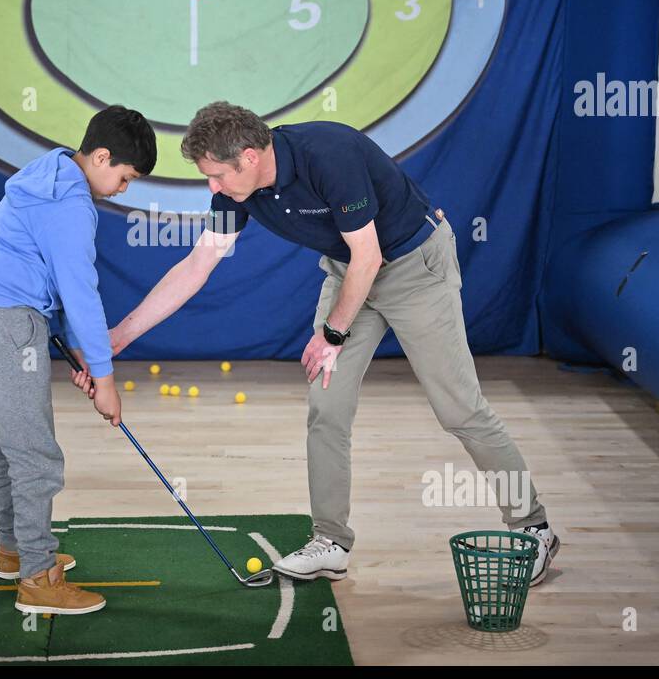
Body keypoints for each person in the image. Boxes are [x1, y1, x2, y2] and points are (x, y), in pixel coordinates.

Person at [110, 102, 558, 585]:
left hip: (414, 269)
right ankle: (331, 542)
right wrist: (119, 337)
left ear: (250, 156)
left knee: (460, 410)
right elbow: (196, 267)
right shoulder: (237, 193)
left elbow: (370, 255)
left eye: (216, 176)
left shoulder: (329, 152)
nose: (212, 188)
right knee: (327, 408)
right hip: (348, 275)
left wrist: (331, 335)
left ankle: (534, 528)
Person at [0, 105, 156, 614]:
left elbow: (53, 284)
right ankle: (38, 580)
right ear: (102, 156)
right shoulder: (71, 204)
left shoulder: (51, 169)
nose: (122, 189)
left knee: (9, 439)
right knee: (34, 451)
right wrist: (106, 379)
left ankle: (15, 551)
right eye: (124, 177)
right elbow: (80, 292)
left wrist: (79, 353)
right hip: (7, 318)